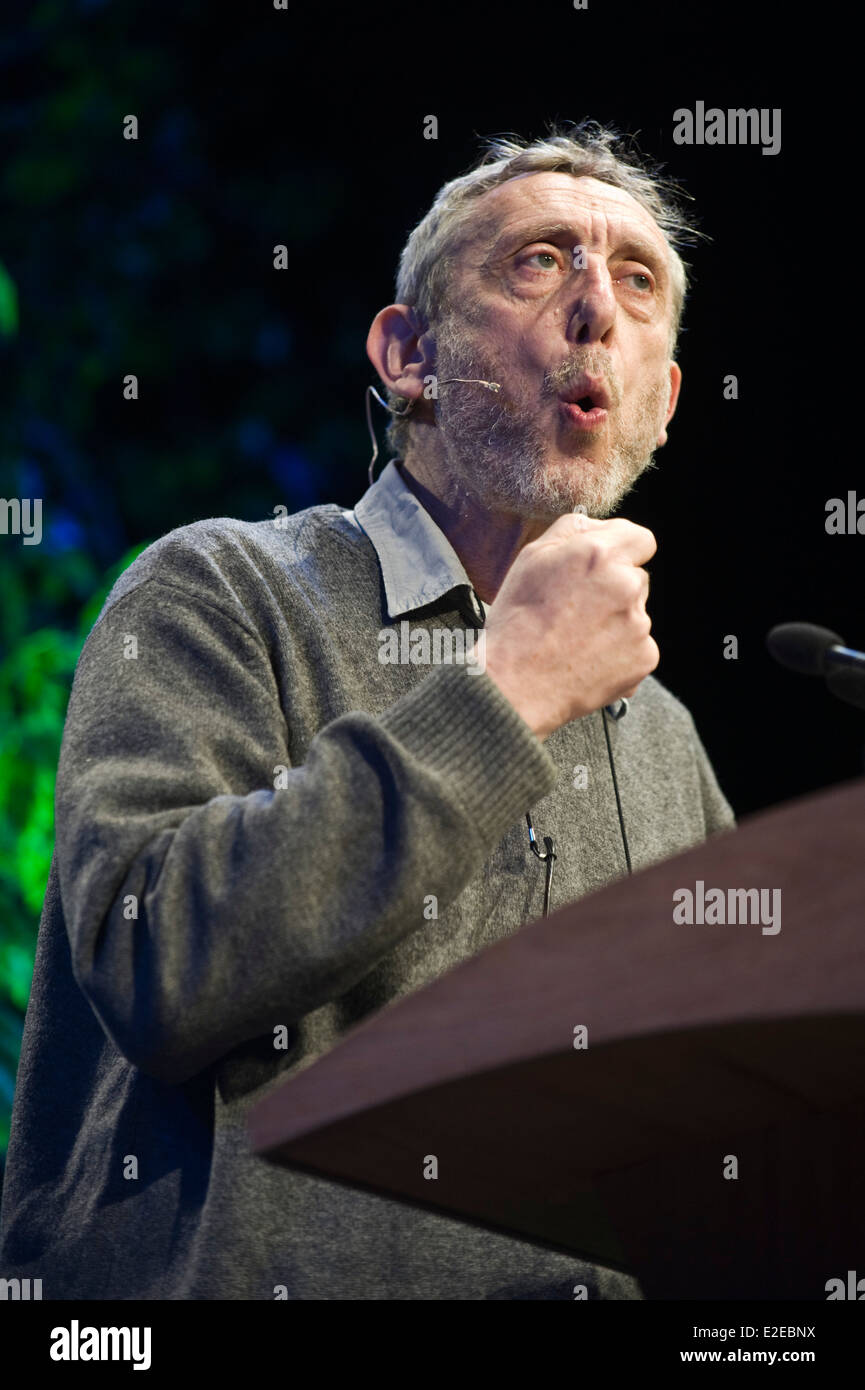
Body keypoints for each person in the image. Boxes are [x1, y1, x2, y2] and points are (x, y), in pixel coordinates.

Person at [0, 121, 734, 1300]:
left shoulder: (662, 731)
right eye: (540, 261)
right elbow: (153, 963)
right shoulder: (218, 590)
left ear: (665, 400)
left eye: (638, 279)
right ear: (407, 356)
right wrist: (508, 691)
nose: (598, 306)